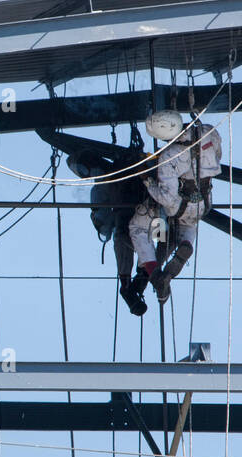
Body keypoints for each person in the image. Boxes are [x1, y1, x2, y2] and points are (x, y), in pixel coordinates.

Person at [37, 127, 151, 317]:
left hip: (139, 208)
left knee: (129, 237)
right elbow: (104, 220)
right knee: (130, 237)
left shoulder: (105, 182)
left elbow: (104, 221)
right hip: (136, 210)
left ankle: (137, 279)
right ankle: (136, 279)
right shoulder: (103, 184)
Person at [128, 109, 223, 304]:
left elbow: (166, 198)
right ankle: (185, 243)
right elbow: (218, 155)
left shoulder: (169, 156)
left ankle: (155, 274)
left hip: (180, 207)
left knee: (138, 227)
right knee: (188, 223)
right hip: (203, 202)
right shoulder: (208, 131)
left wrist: (147, 180)